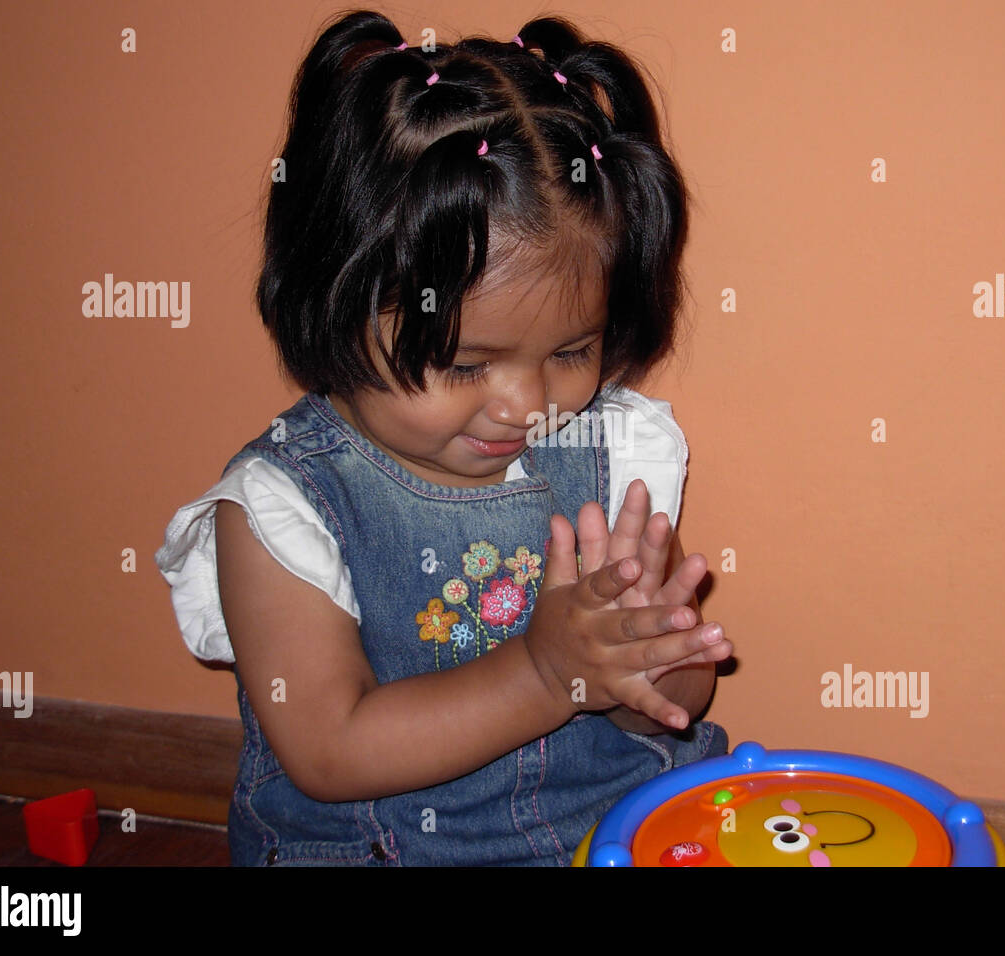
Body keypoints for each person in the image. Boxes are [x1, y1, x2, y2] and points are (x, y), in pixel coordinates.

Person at [154, 9, 732, 866]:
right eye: (467, 364)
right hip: (380, 849)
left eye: (572, 352)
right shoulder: (281, 507)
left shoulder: (609, 456)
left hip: (609, 829)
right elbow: (329, 749)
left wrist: (642, 656)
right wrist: (542, 675)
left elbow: (680, 694)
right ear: (333, 303)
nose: (526, 402)